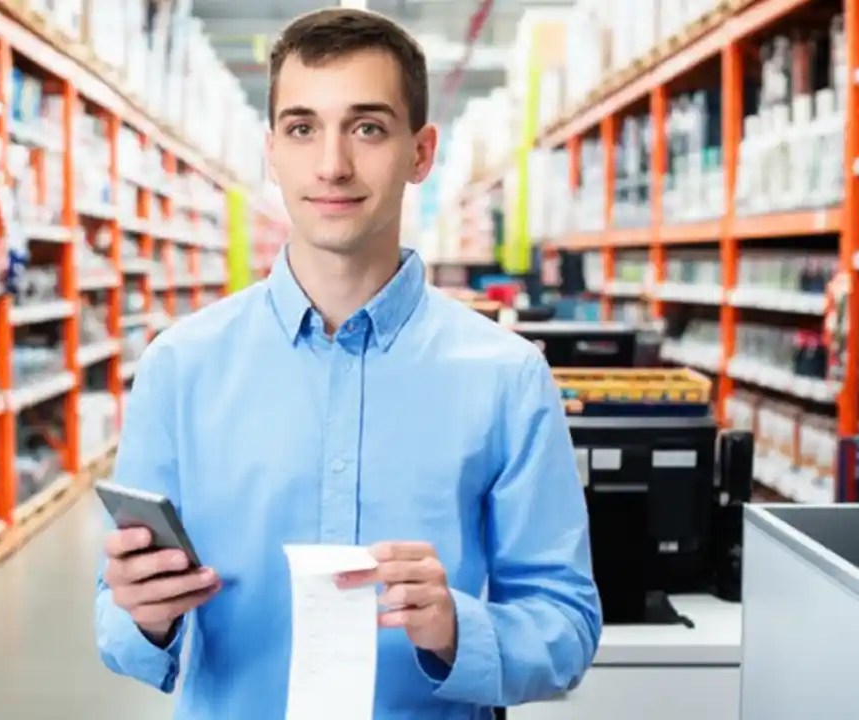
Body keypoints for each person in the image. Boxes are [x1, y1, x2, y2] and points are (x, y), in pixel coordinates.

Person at [95, 8, 601, 718]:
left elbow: (567, 626)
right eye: (303, 128)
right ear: (272, 151)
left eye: (367, 127)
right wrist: (146, 613)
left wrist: (457, 628)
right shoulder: (180, 368)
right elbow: (117, 625)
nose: (331, 163)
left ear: (420, 153)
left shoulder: (507, 377)